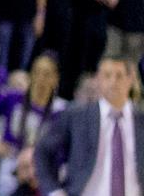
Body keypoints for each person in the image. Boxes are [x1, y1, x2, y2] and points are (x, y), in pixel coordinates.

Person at [33, 52, 144, 196]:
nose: (113, 82)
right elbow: (42, 151)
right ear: (98, 79)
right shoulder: (77, 115)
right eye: (107, 75)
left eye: (119, 75)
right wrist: (54, 191)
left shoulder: (140, 120)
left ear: (131, 79)